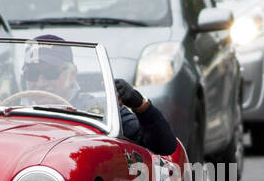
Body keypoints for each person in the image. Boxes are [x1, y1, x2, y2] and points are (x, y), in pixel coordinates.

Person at [20, 34, 178, 156]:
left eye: (50, 73)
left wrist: (140, 105)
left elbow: (164, 146)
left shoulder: (101, 111)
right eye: (32, 74)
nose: (40, 83)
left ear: (72, 73)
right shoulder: (11, 113)